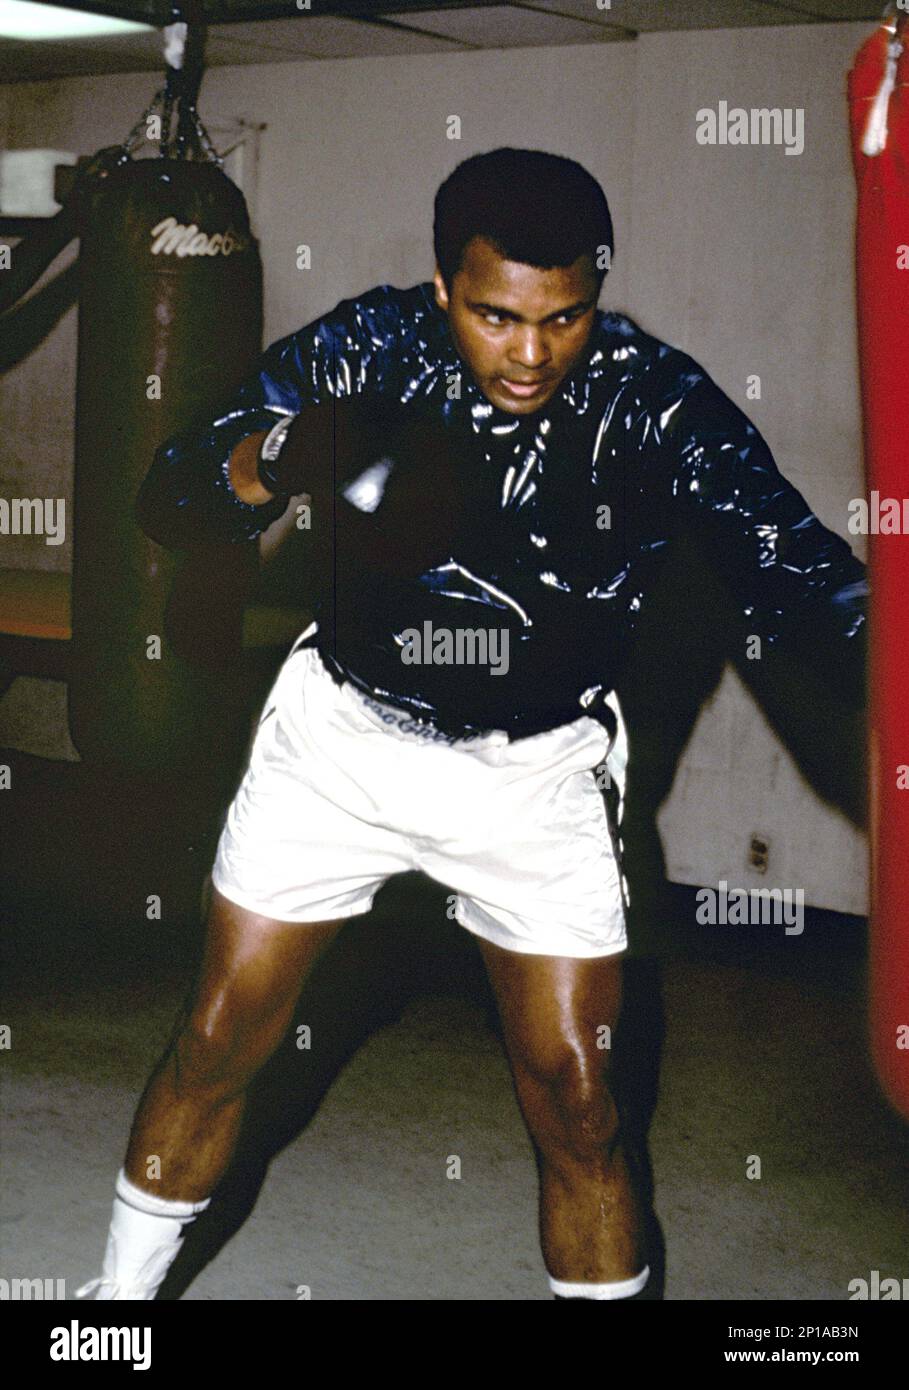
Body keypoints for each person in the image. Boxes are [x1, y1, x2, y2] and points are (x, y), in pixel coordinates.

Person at [76, 147, 867, 1302]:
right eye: (497, 316)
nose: (534, 352)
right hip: (340, 743)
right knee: (219, 1036)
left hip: (536, 772)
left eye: (566, 318)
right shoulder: (370, 350)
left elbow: (799, 573)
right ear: (445, 286)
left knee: (581, 1101)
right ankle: (114, 1309)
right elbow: (172, 487)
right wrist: (286, 455)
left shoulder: (655, 403)